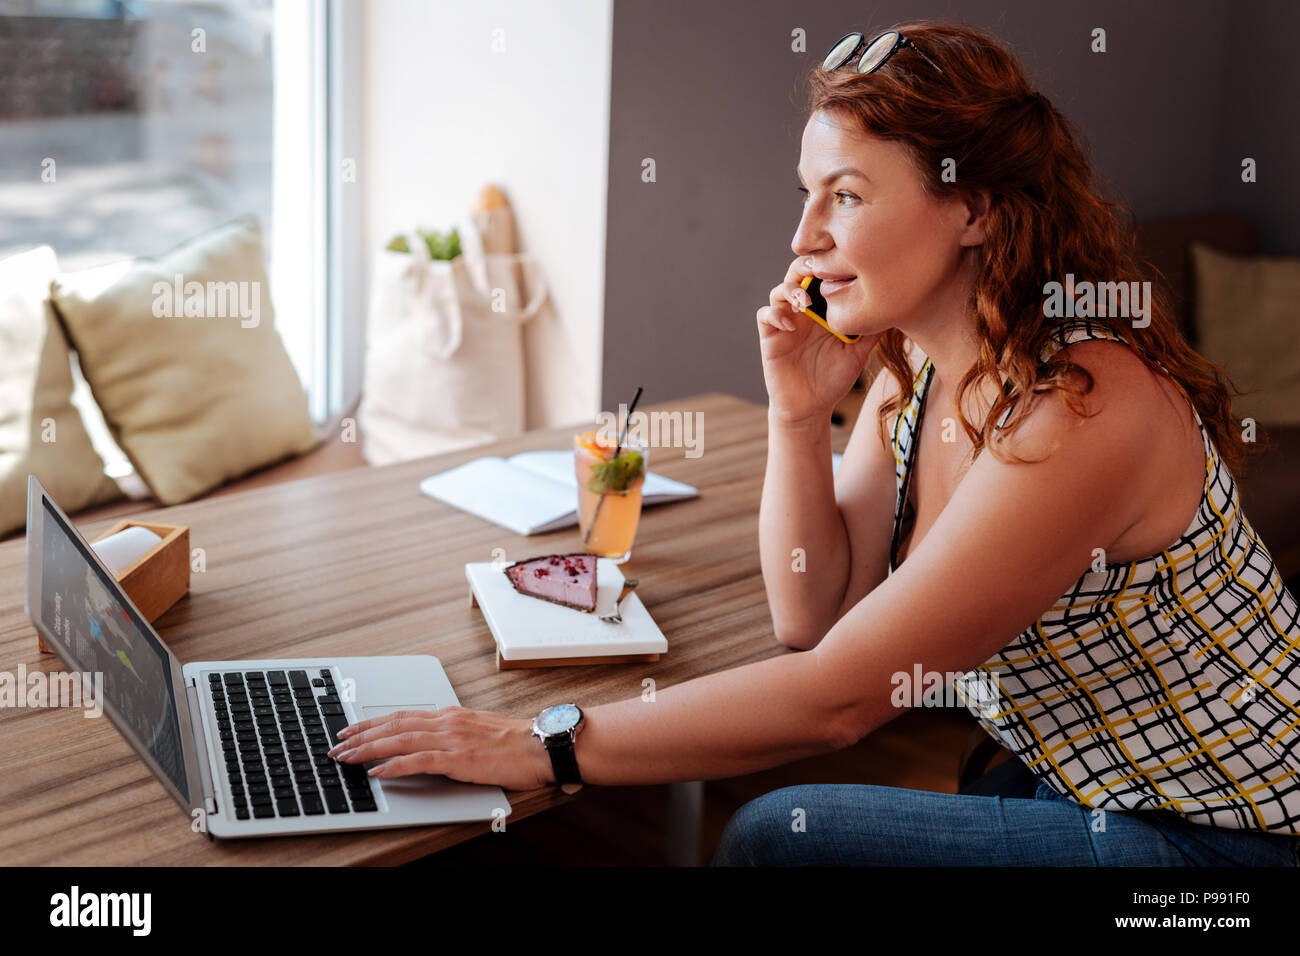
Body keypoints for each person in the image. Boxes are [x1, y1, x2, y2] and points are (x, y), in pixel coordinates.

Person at [328, 21, 1300, 866]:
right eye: (806, 194)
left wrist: (546, 744)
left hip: (1222, 838)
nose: (801, 238)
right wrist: (797, 414)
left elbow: (835, 699)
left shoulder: (1080, 409)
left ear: (974, 207)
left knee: (774, 833)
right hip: (1086, 788)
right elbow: (812, 611)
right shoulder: (916, 375)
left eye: (844, 196)